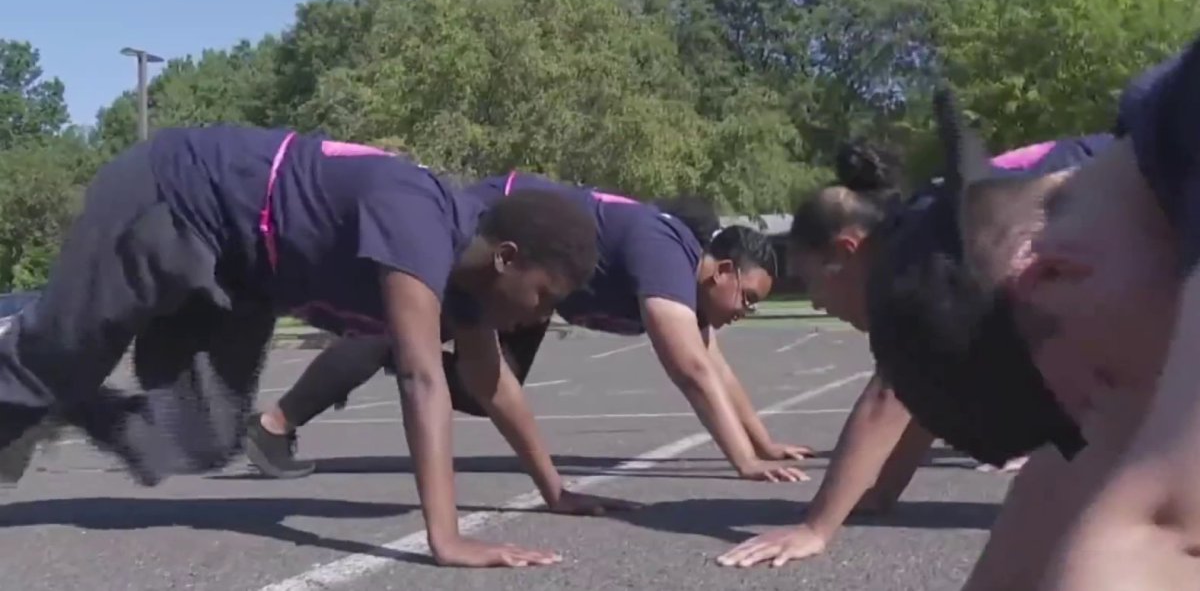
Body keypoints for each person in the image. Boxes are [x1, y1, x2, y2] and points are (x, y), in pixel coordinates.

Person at [0, 126, 603, 569]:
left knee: (201, 440)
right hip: (172, 197)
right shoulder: (419, 220)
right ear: (507, 259)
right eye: (545, 296)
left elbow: (492, 385)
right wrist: (446, 539)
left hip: (241, 276)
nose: (542, 314)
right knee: (53, 362)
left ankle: (60, 400)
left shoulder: (472, 283)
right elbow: (422, 377)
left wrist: (555, 491)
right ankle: (34, 372)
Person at [859, 52, 1200, 591]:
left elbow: (1166, 539)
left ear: (1052, 273)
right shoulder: (1159, 145)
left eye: (1104, 387)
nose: (1137, 408)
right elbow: (1072, 473)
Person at [245, 172, 811, 486]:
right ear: (725, 270)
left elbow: (713, 364)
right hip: (506, 246)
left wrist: (764, 444)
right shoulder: (666, 253)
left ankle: (404, 358)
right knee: (396, 328)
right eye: (749, 299)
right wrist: (744, 464)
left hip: (541, 287)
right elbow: (689, 369)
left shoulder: (687, 285)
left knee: (483, 384)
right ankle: (273, 425)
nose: (747, 311)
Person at [717, 133, 1111, 569]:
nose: (814, 302)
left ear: (847, 250)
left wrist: (817, 527)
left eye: (811, 281)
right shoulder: (924, 230)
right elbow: (924, 391)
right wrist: (881, 493)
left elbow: (887, 397)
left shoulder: (912, 259)